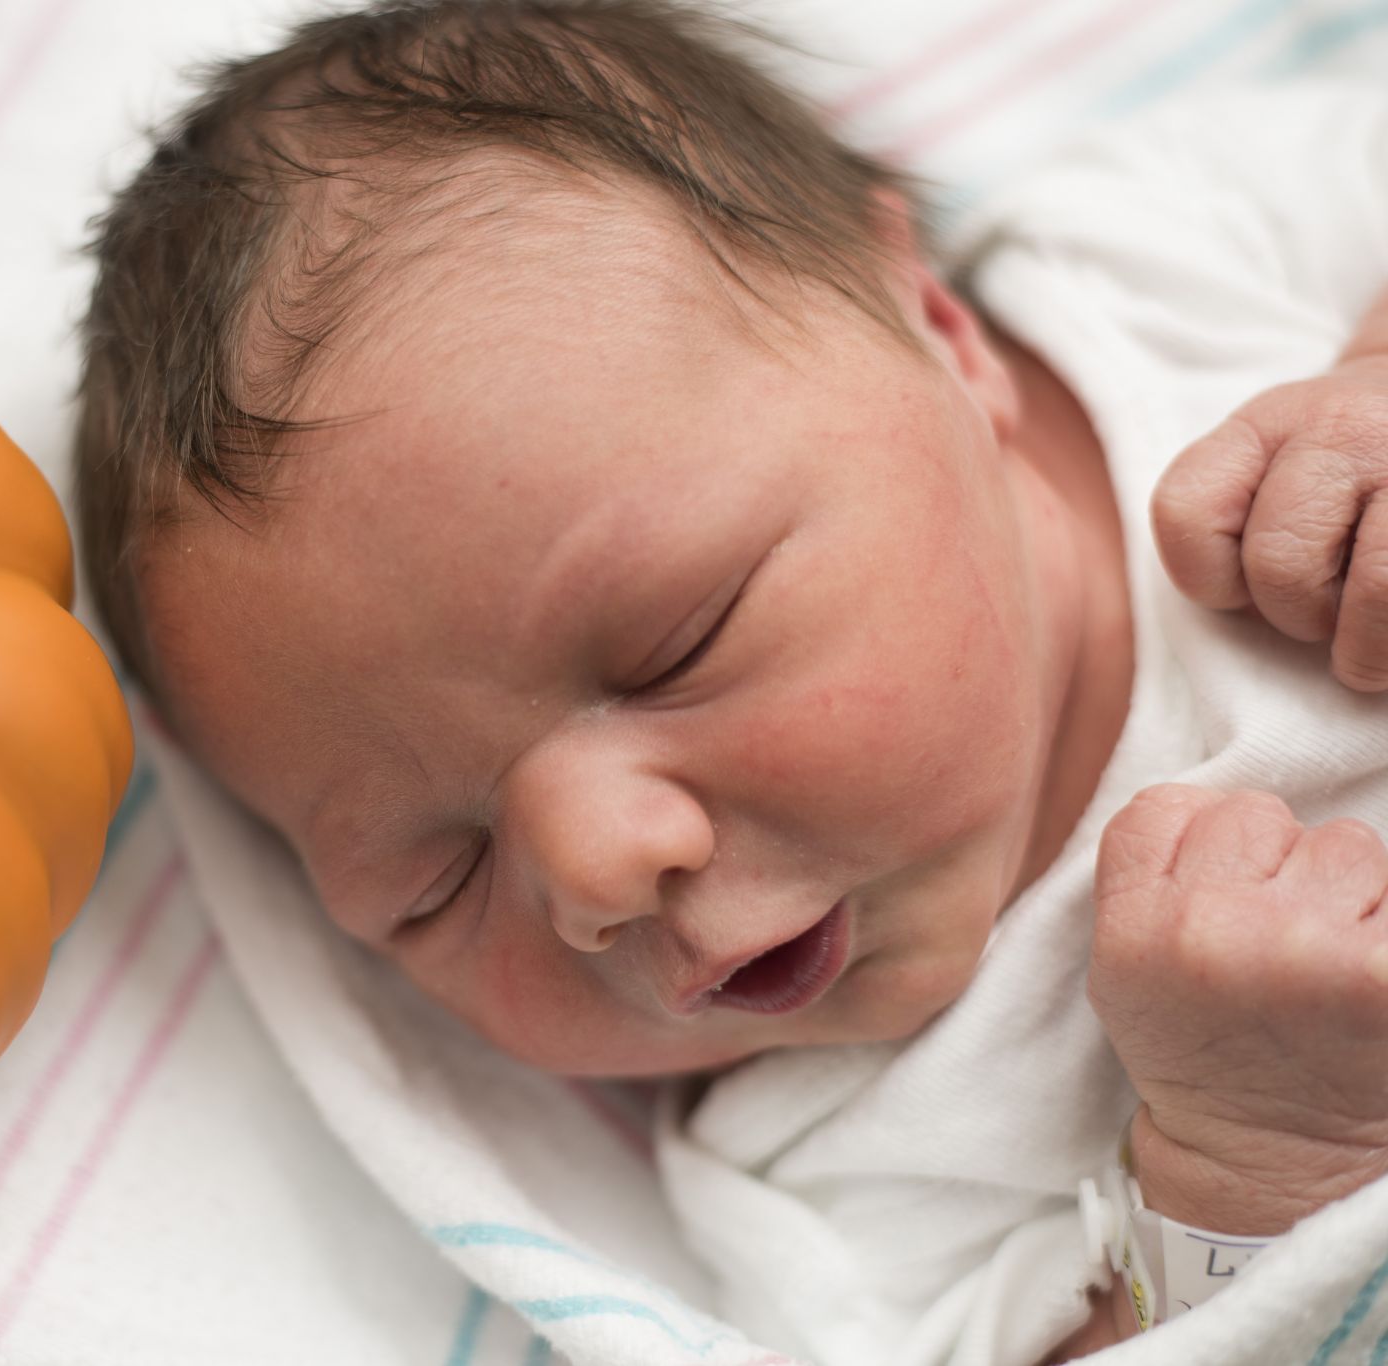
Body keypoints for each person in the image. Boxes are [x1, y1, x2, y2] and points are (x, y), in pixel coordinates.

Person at [71, 1, 1388, 1359]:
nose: (596, 869)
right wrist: (1242, 1176)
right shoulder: (834, 1161)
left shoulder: (1159, 272)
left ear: (937, 329)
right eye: (436, 881)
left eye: (676, 643)